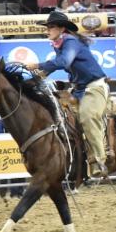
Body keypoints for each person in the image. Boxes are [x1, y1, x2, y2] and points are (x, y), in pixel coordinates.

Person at [24, 11, 109, 178]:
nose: (47, 30)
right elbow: (53, 68)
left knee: (87, 116)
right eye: (47, 27)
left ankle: (99, 159)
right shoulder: (59, 44)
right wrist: (33, 80)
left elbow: (64, 62)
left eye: (51, 27)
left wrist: (36, 65)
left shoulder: (70, 41)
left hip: (94, 87)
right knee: (59, 114)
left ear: (62, 29)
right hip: (79, 90)